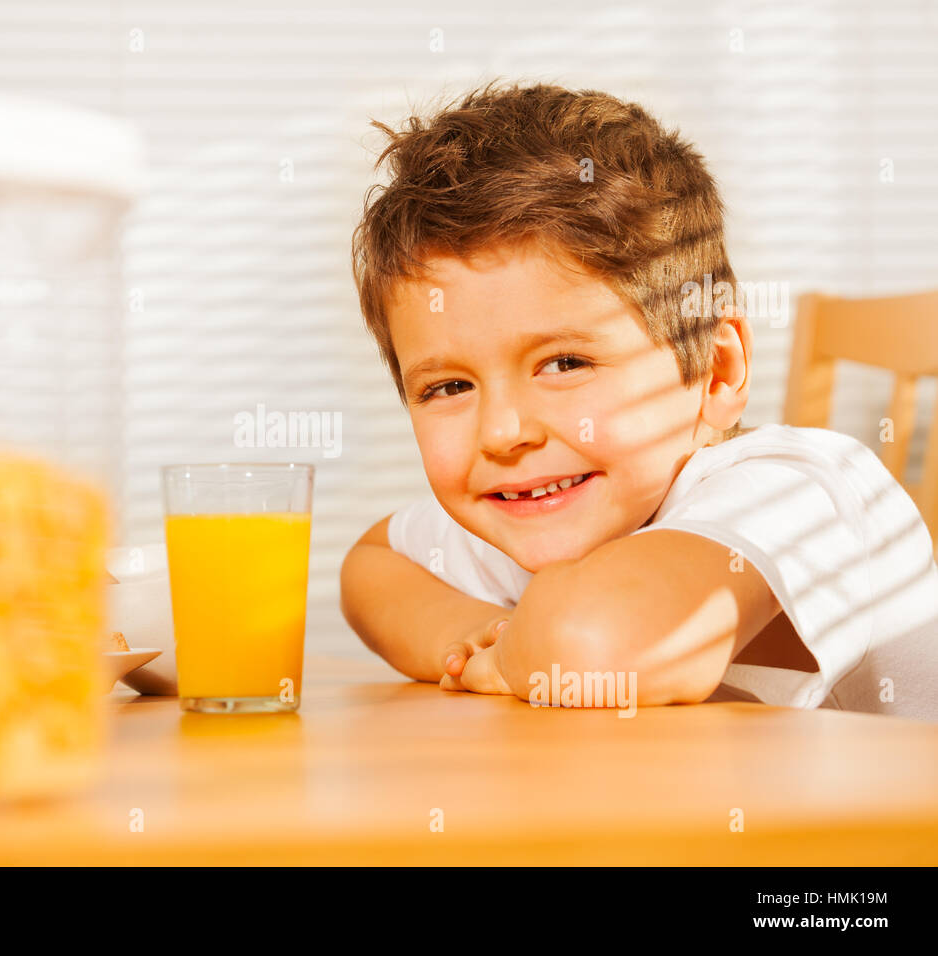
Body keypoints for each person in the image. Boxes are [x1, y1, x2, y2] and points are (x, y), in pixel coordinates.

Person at [341, 81, 938, 719]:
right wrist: (475, 635)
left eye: (565, 363)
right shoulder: (542, 502)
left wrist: (526, 653)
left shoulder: (797, 490)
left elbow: (592, 644)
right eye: (449, 387)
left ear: (716, 369)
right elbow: (372, 565)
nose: (502, 433)